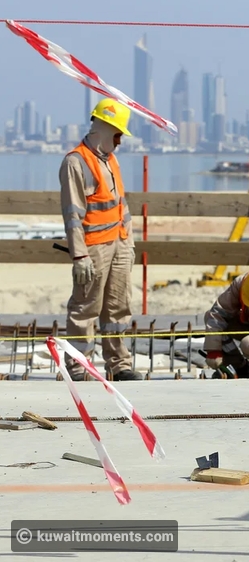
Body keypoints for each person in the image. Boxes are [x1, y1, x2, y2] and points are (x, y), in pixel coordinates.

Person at [59, 98, 141, 381]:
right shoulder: (76, 162)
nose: (120, 141)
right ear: (105, 127)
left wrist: (128, 244)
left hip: (118, 244)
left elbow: (121, 206)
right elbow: (72, 214)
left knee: (118, 307)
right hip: (93, 248)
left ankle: (119, 365)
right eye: (118, 134)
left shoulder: (111, 160)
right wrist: (79, 255)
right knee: (85, 309)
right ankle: (79, 369)